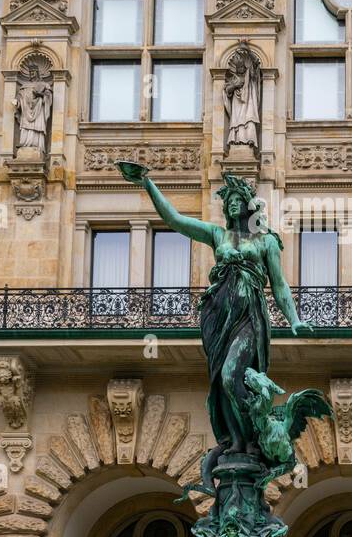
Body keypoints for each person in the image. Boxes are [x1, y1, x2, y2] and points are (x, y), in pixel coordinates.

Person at [118, 165, 311, 454]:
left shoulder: (266, 241)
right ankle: (235, 439)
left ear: (247, 206)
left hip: (249, 314)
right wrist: (147, 184)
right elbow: (174, 220)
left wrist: (294, 320)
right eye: (228, 201)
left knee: (232, 375)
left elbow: (280, 284)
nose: (231, 205)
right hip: (219, 314)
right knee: (221, 381)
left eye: (236, 201)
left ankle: (256, 431)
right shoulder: (218, 235)